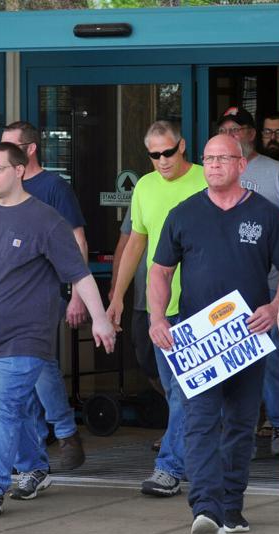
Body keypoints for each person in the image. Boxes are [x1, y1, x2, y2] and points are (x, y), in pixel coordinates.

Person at [0, 143, 115, 517]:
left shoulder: (45, 220)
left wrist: (99, 318)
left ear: (20, 170)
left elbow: (78, 275)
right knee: (1, 411)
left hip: (24, 338)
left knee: (0, 411)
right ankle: (34, 465)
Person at [148, 135, 279, 534]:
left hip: (247, 339)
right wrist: (157, 318)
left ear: (241, 165)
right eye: (208, 158)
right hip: (197, 341)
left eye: (222, 159)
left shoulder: (267, 215)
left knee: (240, 425)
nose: (213, 165)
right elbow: (160, 271)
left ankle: (232, 506)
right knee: (199, 422)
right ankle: (206, 508)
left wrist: (275, 307)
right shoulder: (184, 214)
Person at [106, 120, 207, 497]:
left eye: (168, 152)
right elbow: (135, 244)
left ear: (181, 146)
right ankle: (200, 454)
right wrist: (117, 296)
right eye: (154, 154)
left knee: (185, 391)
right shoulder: (145, 187)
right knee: (172, 387)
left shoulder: (204, 179)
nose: (162, 160)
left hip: (200, 305)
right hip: (159, 307)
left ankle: (169, 468)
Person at [0, 121, 88, 472]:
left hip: (43, 291)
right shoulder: (2, 186)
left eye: (10, 146)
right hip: (4, 294)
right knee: (20, 368)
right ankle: (36, 452)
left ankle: (66, 434)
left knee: (36, 362)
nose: (1, 154)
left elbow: (77, 239)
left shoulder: (53, 187)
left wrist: (78, 295)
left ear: (30, 149)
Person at [218, 106, 279, 458]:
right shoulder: (211, 174)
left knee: (272, 360)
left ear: (250, 134)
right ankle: (231, 433)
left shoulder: (276, 172)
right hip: (225, 290)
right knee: (229, 361)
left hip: (272, 285)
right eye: (225, 129)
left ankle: (278, 426)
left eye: (238, 129)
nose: (232, 135)